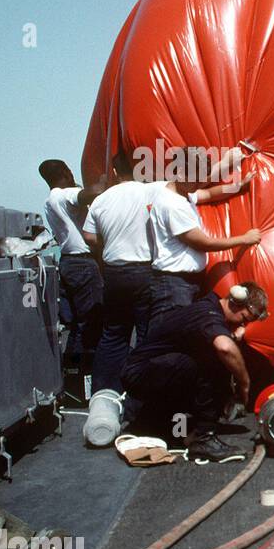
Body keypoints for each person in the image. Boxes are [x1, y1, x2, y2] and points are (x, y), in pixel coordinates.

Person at [121, 283, 269, 462]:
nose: (243, 324)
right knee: (207, 364)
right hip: (139, 374)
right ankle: (203, 438)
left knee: (197, 364)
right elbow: (225, 348)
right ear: (236, 302)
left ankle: (177, 432)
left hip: (153, 370)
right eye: (244, 318)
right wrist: (244, 384)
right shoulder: (208, 315)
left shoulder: (210, 306)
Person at [147, 145, 259, 322]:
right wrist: (245, 239)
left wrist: (238, 186)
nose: (199, 183)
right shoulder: (173, 205)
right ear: (181, 172)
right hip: (174, 285)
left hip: (183, 283)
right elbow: (203, 243)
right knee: (169, 337)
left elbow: (207, 193)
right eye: (196, 178)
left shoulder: (182, 193)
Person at [81, 153, 159, 395]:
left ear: (114, 172)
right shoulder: (151, 191)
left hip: (114, 273)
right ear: (140, 169)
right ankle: (144, 394)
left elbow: (89, 237)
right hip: (145, 270)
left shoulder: (101, 200)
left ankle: (104, 394)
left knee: (113, 335)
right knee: (147, 334)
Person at [39, 159, 103, 370]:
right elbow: (91, 192)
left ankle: (73, 372)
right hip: (83, 263)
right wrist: (111, 181)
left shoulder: (50, 201)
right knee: (92, 320)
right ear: (66, 172)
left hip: (67, 262)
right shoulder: (64, 195)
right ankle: (90, 372)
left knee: (76, 323)